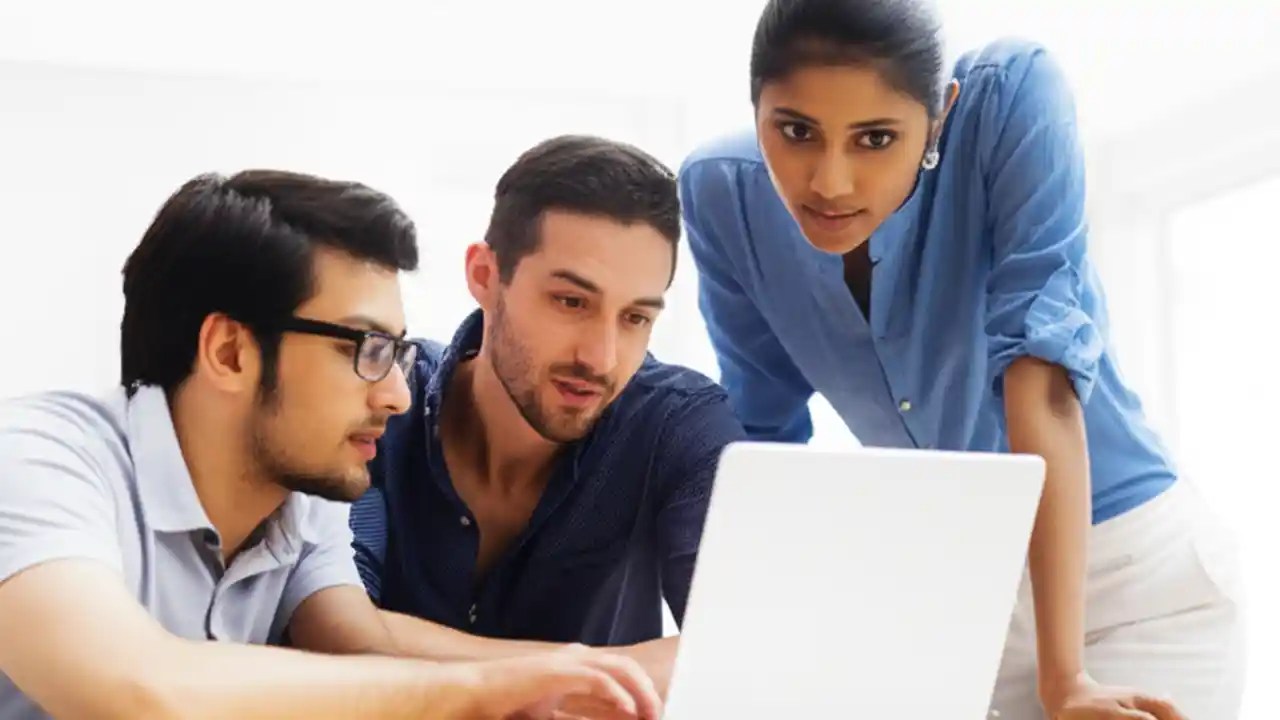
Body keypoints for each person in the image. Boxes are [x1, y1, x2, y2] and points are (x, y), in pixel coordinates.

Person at [677, 1, 1244, 718]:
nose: (830, 181)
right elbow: (760, 433)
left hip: (1127, 583)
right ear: (754, 103)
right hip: (956, 596)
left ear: (938, 115)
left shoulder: (1011, 95)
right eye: (795, 131)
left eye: (875, 138)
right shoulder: (720, 193)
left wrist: (1065, 679)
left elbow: (1040, 378)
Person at [0, 170, 662, 720]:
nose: (398, 397)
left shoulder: (299, 500)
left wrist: (577, 675)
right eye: (366, 349)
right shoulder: (38, 462)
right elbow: (136, 691)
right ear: (229, 351)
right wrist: (477, 692)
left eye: (399, 353)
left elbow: (360, 645)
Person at [350, 135, 746, 695]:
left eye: (635, 318)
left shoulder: (678, 425)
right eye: (571, 302)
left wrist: (424, 654)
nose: (601, 358)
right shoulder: (380, 402)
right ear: (485, 276)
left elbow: (738, 649)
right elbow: (332, 627)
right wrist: (589, 677)